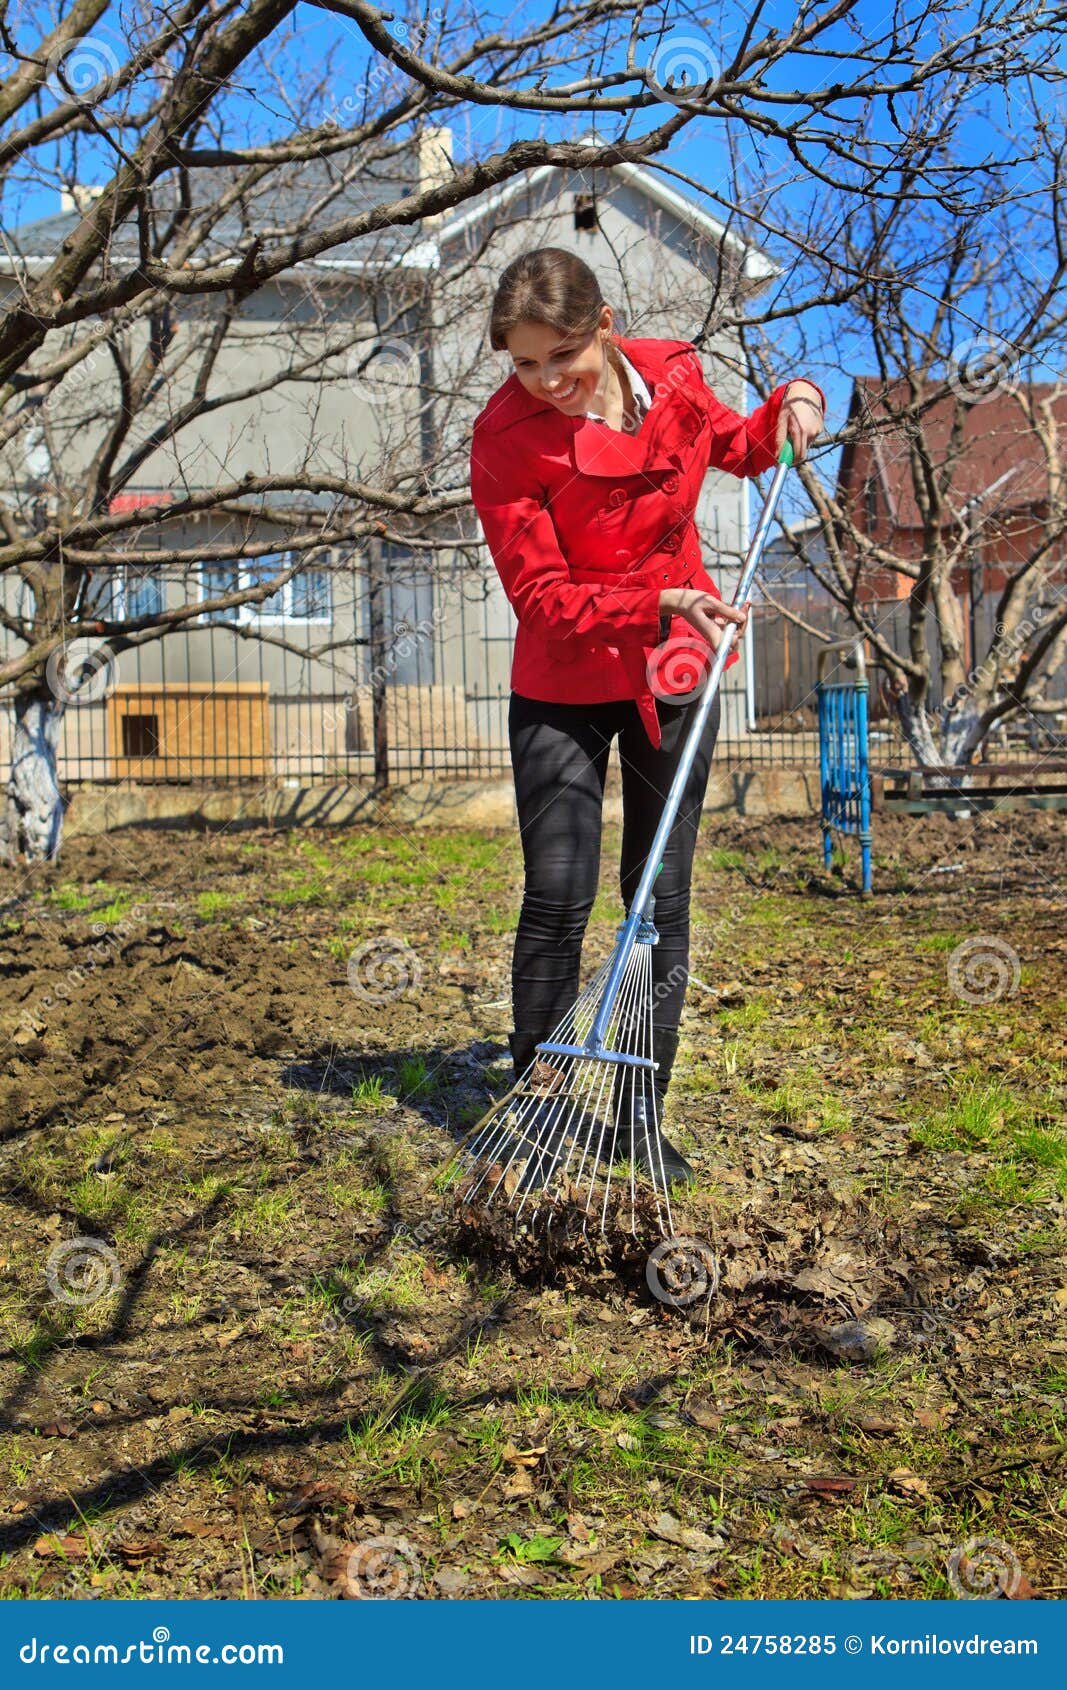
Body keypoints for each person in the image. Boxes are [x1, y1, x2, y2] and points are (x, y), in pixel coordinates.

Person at [469, 247, 825, 1187]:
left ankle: (637, 1114)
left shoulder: (671, 373)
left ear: (606, 326)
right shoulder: (503, 439)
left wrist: (794, 395)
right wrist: (659, 599)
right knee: (558, 890)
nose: (544, 382)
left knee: (658, 898)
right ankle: (533, 1111)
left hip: (674, 667)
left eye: (561, 358)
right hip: (565, 678)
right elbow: (542, 597)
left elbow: (746, 449)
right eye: (522, 364)